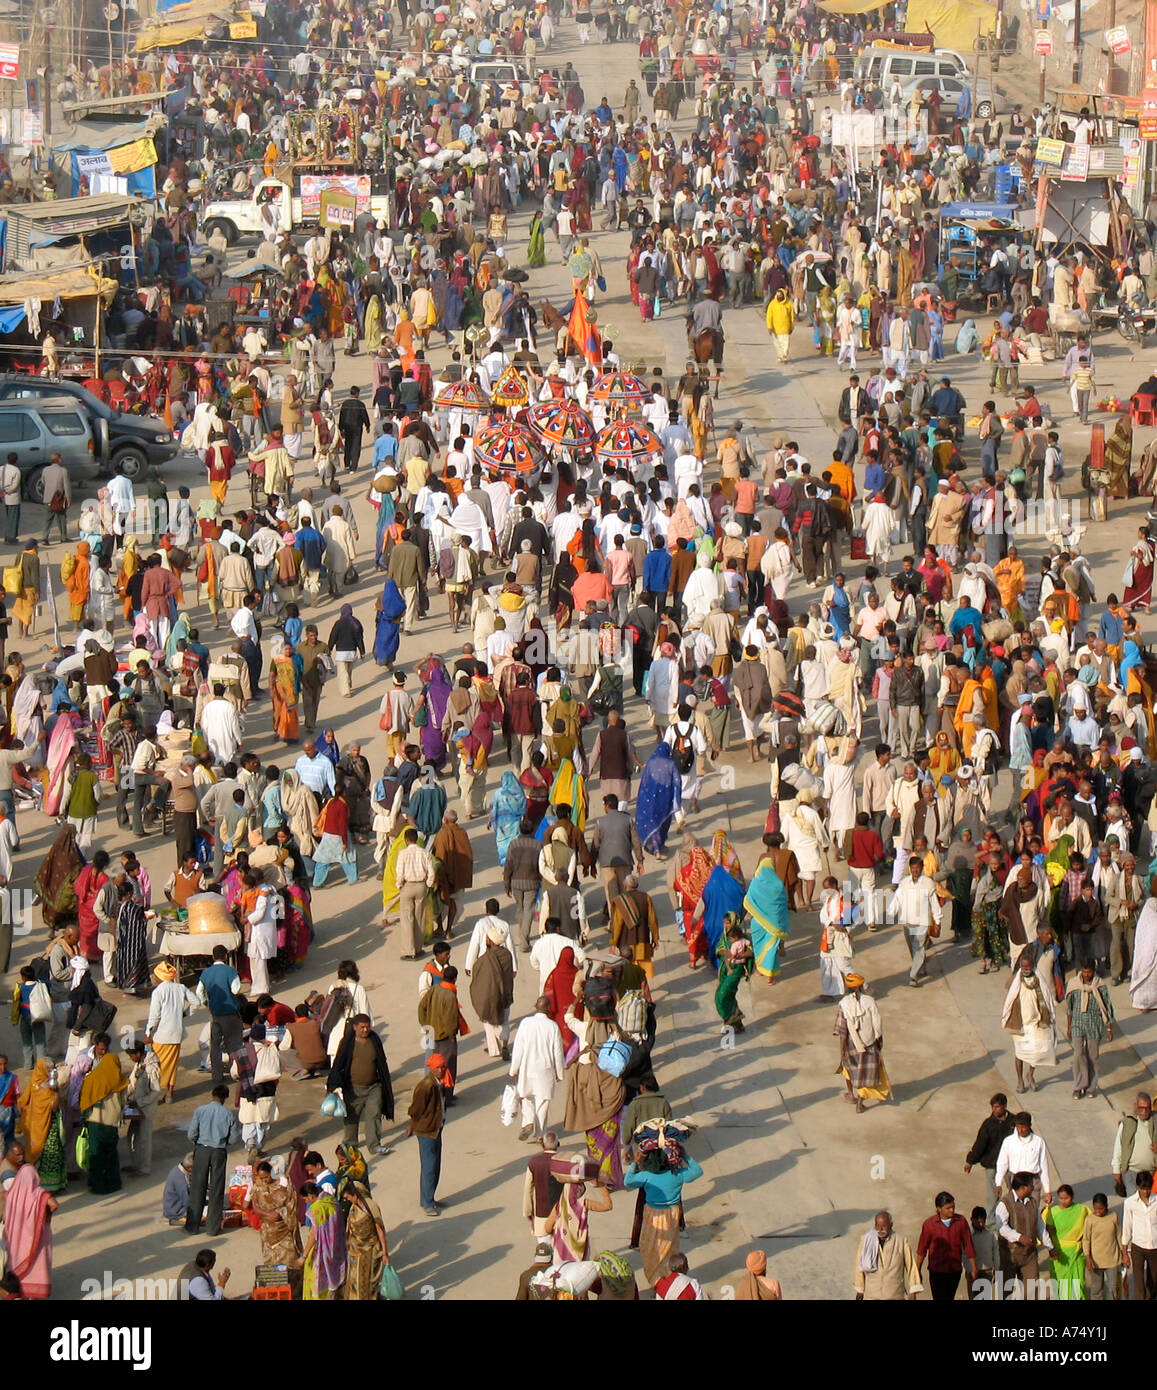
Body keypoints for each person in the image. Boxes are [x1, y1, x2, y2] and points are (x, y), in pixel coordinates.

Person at [622, 1125, 703, 1287]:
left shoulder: (646, 1176)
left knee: (651, 1249)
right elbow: (697, 1171)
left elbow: (627, 1181)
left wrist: (635, 1162)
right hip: (672, 1215)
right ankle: (668, 1283)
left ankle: (656, 1282)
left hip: (652, 1214)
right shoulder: (677, 1175)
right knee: (669, 1250)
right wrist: (684, 1155)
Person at [326, 1014, 395, 1155]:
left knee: (374, 1114)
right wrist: (332, 1085)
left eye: (367, 1027)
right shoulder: (348, 1043)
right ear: (355, 1027)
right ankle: (350, 1144)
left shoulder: (374, 1040)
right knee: (351, 1117)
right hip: (353, 1088)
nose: (365, 1030)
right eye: (362, 1027)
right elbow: (339, 1063)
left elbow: (382, 1062)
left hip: (374, 1087)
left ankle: (374, 1145)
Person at [185, 1083, 241, 1237]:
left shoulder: (200, 1111)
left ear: (212, 1095)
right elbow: (234, 1138)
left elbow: (191, 1134)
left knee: (198, 1186)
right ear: (225, 1098)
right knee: (216, 1188)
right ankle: (212, 1227)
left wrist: (198, 1142)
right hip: (219, 1150)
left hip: (202, 1149)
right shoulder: (228, 1114)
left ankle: (192, 1226)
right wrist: (223, 1143)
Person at [3, 1140, 58, 1298]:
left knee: (17, 1263)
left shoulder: (14, 1192)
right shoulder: (39, 1193)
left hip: (17, 1240)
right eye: (18, 1154)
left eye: (22, 1154)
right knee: (38, 1264)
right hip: (38, 1238)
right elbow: (54, 1205)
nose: (21, 1157)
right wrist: (45, 1218)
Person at [508, 996, 566, 1142]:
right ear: (548, 1009)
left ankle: (528, 1122)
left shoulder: (526, 1023)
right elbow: (558, 1052)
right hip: (545, 1070)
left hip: (527, 1068)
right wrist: (559, 1073)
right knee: (543, 1102)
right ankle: (540, 1134)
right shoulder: (552, 1026)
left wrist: (513, 1069)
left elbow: (518, 1048)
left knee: (527, 1097)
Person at [1001, 949, 1057, 1093]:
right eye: (1024, 967)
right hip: (1021, 1023)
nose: (1026, 970)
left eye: (1028, 967)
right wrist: (1005, 1017)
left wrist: (1051, 1016)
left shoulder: (1038, 978)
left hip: (1036, 1022)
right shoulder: (1017, 980)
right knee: (1020, 1053)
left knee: (1041, 1050)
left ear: (1033, 966)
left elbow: (1046, 997)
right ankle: (1020, 1080)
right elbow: (1010, 999)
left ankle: (1030, 1074)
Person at [834, 974, 890, 1112]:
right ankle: (860, 1102)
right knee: (865, 1073)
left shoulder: (844, 1004)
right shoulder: (869, 1001)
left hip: (851, 1044)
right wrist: (879, 1039)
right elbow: (877, 1022)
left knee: (848, 1069)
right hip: (869, 1043)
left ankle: (851, 1094)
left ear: (847, 987)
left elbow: (842, 1030)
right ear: (860, 986)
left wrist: (842, 1051)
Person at [79, 1036, 125, 1194]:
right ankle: (113, 1183)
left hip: (96, 1122)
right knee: (111, 1154)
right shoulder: (119, 1081)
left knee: (96, 1154)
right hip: (112, 1122)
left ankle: (97, 1185)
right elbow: (124, 1100)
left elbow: (84, 1099)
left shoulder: (92, 1079)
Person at [997, 1170, 1053, 1296]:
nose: (1033, 1187)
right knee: (1005, 1292)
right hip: (1009, 1255)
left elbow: (1039, 1226)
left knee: (1032, 1292)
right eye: (1031, 1185)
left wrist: (1050, 1246)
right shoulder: (1004, 1204)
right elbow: (1001, 1228)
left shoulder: (1032, 1203)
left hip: (1029, 1256)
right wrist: (1019, 1237)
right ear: (1023, 1188)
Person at [916, 1191, 977, 1301]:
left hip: (954, 1270)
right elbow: (922, 1249)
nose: (952, 1210)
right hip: (936, 1271)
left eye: (953, 1207)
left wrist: (973, 1267)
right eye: (948, 1208)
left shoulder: (961, 1222)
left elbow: (968, 1245)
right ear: (939, 1209)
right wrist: (917, 1271)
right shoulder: (929, 1224)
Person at [408, 1053, 448, 1216]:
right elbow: (415, 1109)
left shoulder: (438, 1083)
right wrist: (414, 1125)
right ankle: (427, 1202)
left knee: (435, 1165)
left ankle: (429, 1197)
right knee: (429, 1166)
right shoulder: (426, 1086)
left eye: (442, 1066)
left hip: (436, 1129)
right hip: (427, 1131)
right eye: (438, 1067)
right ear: (431, 1068)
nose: (441, 1070)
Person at [1066, 964, 1114, 1099]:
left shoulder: (1100, 985)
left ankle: (1091, 1087)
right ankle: (1079, 1086)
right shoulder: (1073, 985)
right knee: (1078, 1055)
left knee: (1093, 1057)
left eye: (1089, 972)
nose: (1087, 974)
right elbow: (1069, 1008)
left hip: (1094, 1025)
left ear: (1093, 971)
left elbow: (1107, 1007)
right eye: (1084, 971)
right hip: (1077, 1024)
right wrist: (1069, 1026)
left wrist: (1109, 1028)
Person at [853, 1210, 922, 1301]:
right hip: (873, 1295)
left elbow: (911, 1266)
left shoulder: (901, 1241)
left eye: (884, 1226)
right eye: (877, 1226)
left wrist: (913, 1290)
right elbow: (859, 1264)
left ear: (891, 1225)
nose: (880, 1229)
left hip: (895, 1294)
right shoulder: (866, 1241)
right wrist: (860, 1290)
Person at [963, 1093, 1016, 1211]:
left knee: (1015, 1192)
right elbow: (980, 1144)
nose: (994, 1109)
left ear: (1005, 1106)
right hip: (992, 1164)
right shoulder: (988, 1124)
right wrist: (970, 1161)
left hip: (1010, 1165)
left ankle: (1014, 1215)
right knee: (992, 1196)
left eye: (997, 1106)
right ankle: (992, 1223)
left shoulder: (1014, 1122)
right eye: (993, 1107)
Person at [298, 1180, 347, 1300]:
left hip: (323, 1251)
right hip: (337, 1248)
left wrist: (304, 1255)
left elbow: (314, 1234)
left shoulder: (317, 1208)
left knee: (316, 1280)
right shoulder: (332, 1200)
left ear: (311, 1195)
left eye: (306, 1199)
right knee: (335, 1281)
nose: (307, 1202)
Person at [1045, 1185, 1089, 1300]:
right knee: (1059, 1284)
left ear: (1072, 1197)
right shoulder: (1053, 1212)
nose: (1063, 1201)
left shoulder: (1081, 1210)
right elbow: (1048, 1232)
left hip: (1076, 1252)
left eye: (1066, 1198)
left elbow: (1089, 1228)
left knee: (1077, 1283)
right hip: (1059, 1253)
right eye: (1061, 1198)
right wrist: (1051, 1249)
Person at [1113, 1093, 1157, 1198]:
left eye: (1147, 1108)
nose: (1144, 1111)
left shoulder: (1156, 1120)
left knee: (1150, 1205)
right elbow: (1118, 1146)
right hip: (1131, 1171)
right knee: (1133, 1202)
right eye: (1141, 1107)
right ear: (1135, 1106)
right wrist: (1116, 1169)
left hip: (1151, 1173)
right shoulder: (1128, 1122)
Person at [1082, 1192, 1124, 1300]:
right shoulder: (1089, 1220)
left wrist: (1124, 1254)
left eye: (1100, 1209)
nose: (1098, 1212)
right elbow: (1086, 1240)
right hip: (1096, 1261)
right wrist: (1088, 1258)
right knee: (1096, 1289)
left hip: (1112, 1259)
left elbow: (1119, 1235)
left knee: (1113, 1289)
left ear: (1106, 1206)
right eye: (1095, 1209)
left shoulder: (1113, 1216)